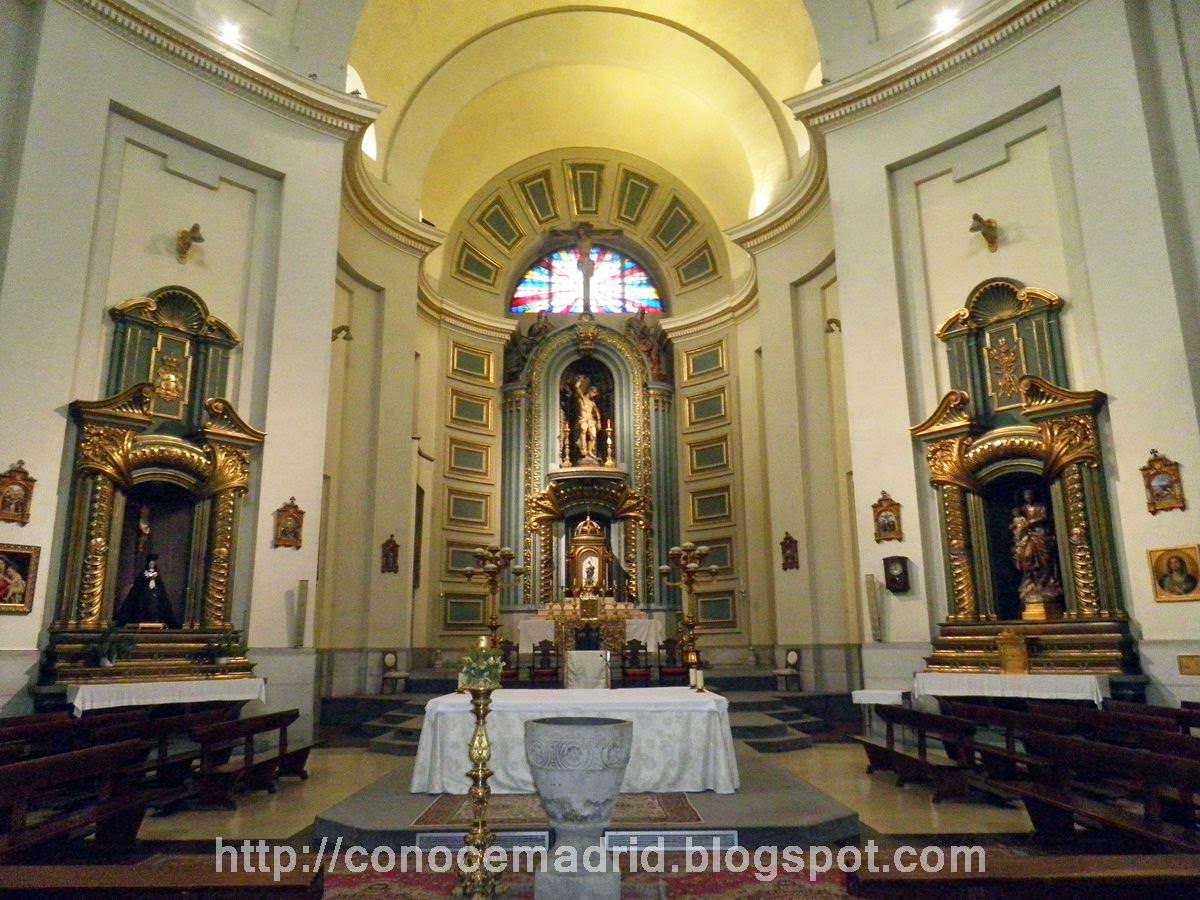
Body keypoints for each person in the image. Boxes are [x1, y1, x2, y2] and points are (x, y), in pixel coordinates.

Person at [1010, 488, 1062, 610]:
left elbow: (1044, 517)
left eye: (1030, 495)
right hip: (1028, 536)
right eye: (1026, 495)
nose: (1028, 497)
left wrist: (1030, 522)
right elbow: (1016, 518)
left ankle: (1044, 582)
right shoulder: (1023, 508)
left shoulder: (1040, 506)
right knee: (1027, 556)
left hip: (1041, 534)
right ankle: (1031, 582)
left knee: (1045, 560)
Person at [115, 554, 179, 627]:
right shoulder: (143, 572)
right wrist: (148, 577)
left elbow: (160, 585)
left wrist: (155, 578)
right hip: (145, 595)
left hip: (155, 594)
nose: (152, 565)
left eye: (153, 563)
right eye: (150, 563)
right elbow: (140, 583)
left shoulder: (157, 573)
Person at [573, 375, 602, 462]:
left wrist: (599, 422)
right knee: (583, 430)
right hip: (583, 418)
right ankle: (583, 449)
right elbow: (577, 388)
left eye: (595, 394)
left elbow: (597, 413)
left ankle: (590, 451)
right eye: (594, 393)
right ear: (590, 391)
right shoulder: (582, 398)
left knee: (593, 436)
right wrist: (580, 380)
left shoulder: (592, 403)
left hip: (591, 420)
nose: (594, 395)